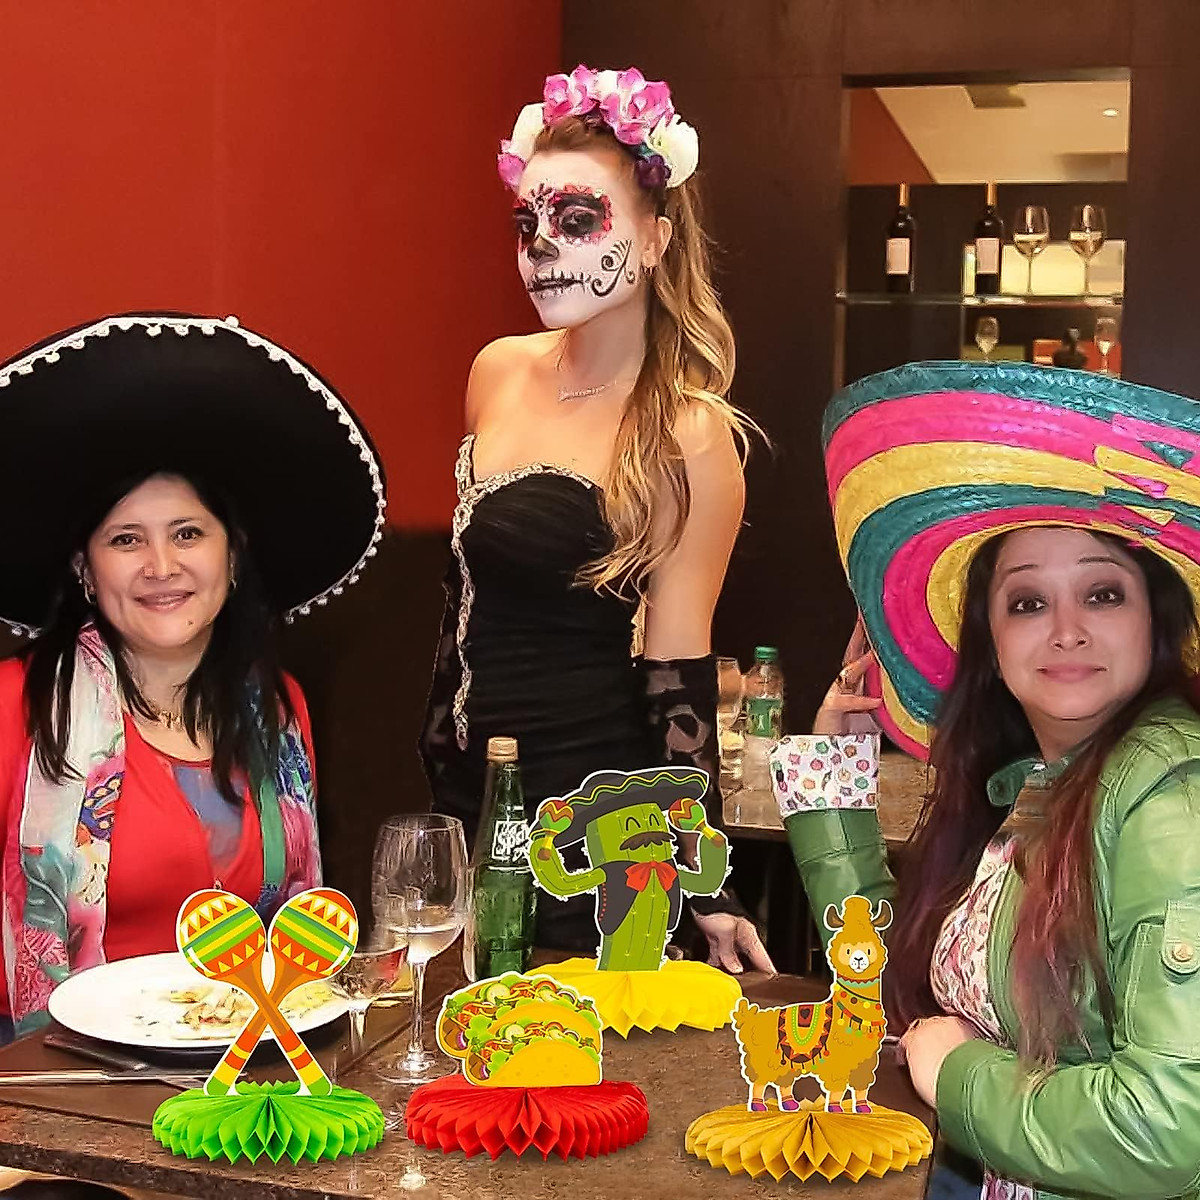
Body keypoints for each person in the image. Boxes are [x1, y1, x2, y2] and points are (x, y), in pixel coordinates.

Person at [781, 360, 1200, 1199]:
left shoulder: (1169, 793)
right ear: (993, 644)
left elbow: (1170, 1128)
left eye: (1103, 594)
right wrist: (834, 787)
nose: (1067, 631)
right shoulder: (1035, 787)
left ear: (1156, 621)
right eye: (1028, 603)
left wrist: (959, 1077)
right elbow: (902, 995)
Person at [420, 65, 772, 973]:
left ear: (654, 239)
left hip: (597, 830)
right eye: (527, 224)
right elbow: (464, 611)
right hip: (471, 805)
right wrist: (445, 787)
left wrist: (706, 883)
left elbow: (677, 680)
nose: (543, 247)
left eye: (578, 220)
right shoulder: (497, 371)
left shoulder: (690, 433)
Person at [0, 312, 385, 1039]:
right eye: (126, 540)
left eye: (187, 533)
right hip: (58, 1077)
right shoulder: (15, 706)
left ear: (231, 557)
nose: (162, 566)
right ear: (85, 570)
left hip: (252, 1064)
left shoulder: (278, 707)